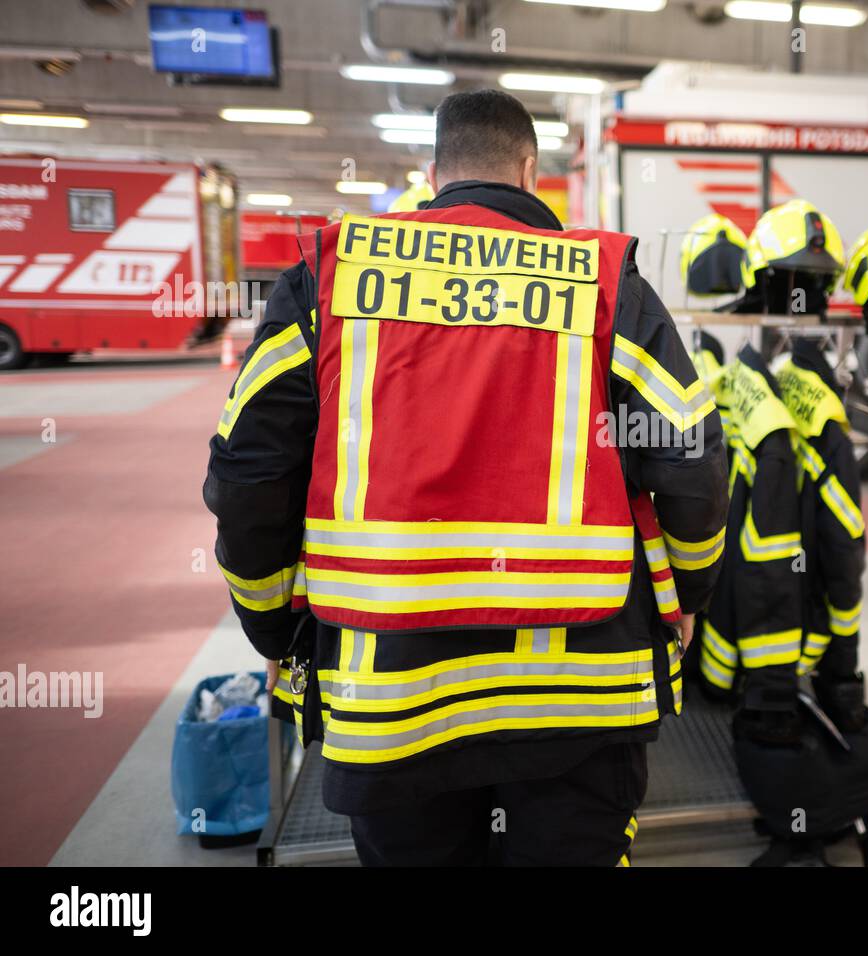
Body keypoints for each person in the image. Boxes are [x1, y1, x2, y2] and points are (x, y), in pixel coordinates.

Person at [204, 88, 729, 866]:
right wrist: (688, 596)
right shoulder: (603, 281)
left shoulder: (328, 278)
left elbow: (250, 472)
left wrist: (276, 627)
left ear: (432, 173)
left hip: (391, 701)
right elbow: (689, 456)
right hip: (578, 696)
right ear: (530, 170)